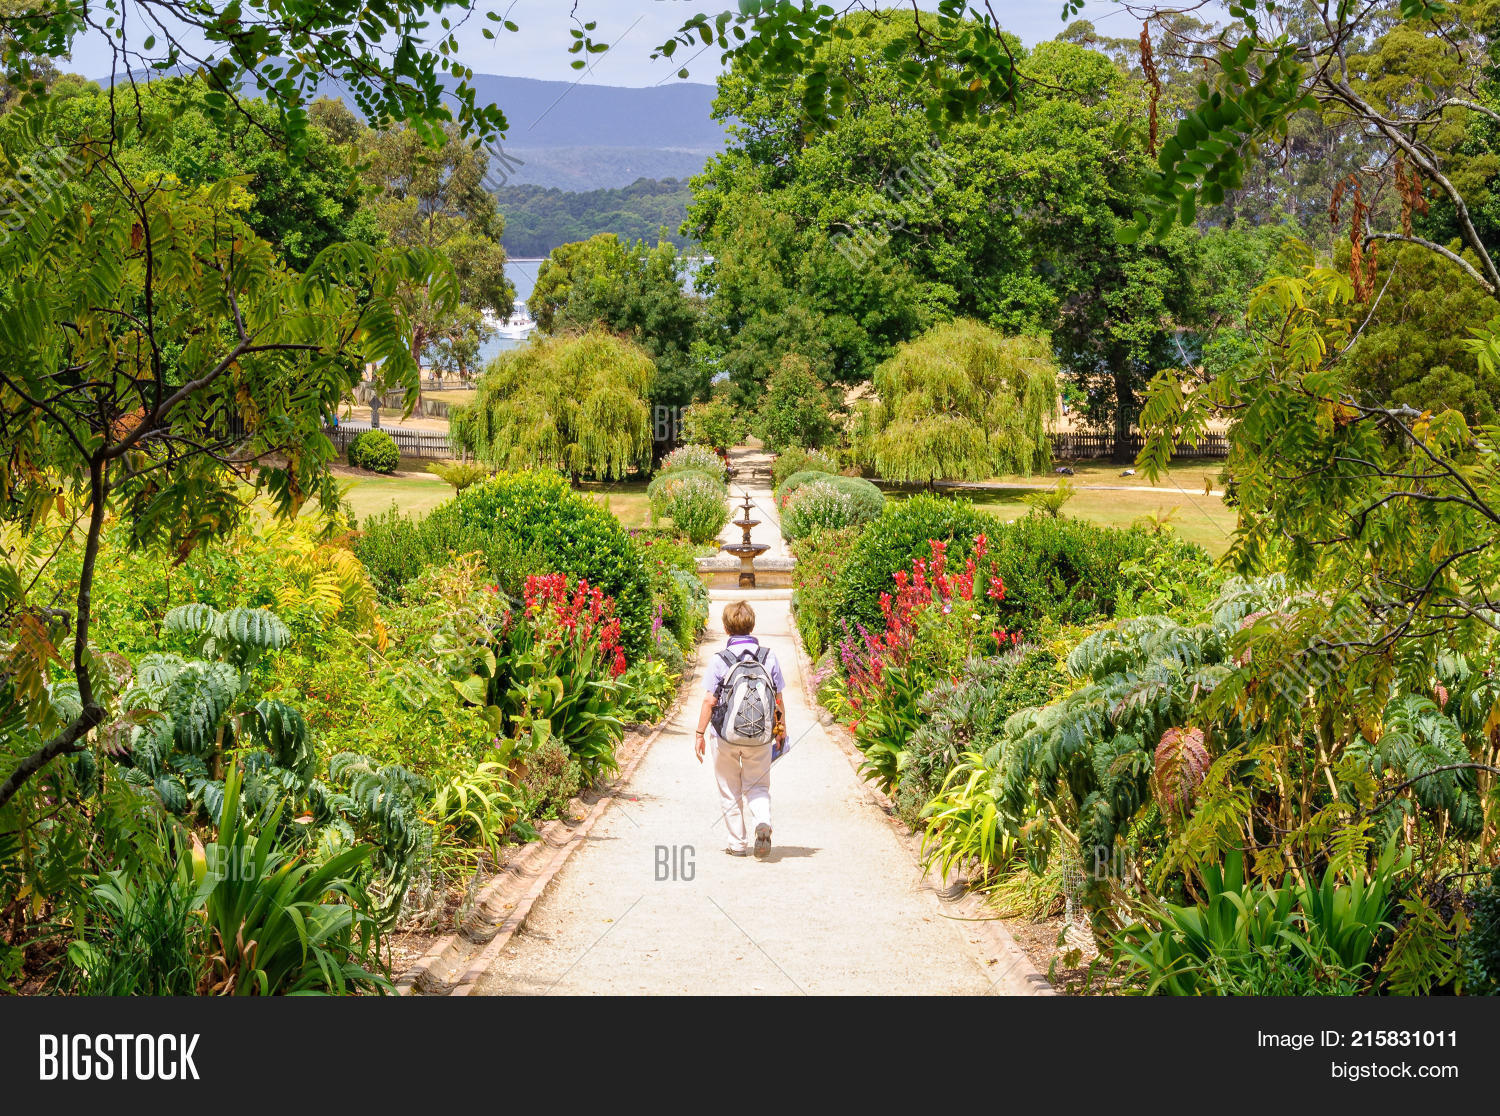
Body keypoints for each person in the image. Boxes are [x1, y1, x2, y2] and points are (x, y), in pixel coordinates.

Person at [696, 601, 787, 858]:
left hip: (724, 735)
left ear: (725, 628)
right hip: (760, 737)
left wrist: (699, 733)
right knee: (757, 786)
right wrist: (781, 731)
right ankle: (763, 820)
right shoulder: (769, 657)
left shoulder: (719, 660)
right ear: (752, 626)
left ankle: (737, 844)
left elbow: (709, 700)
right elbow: (778, 699)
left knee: (728, 788)